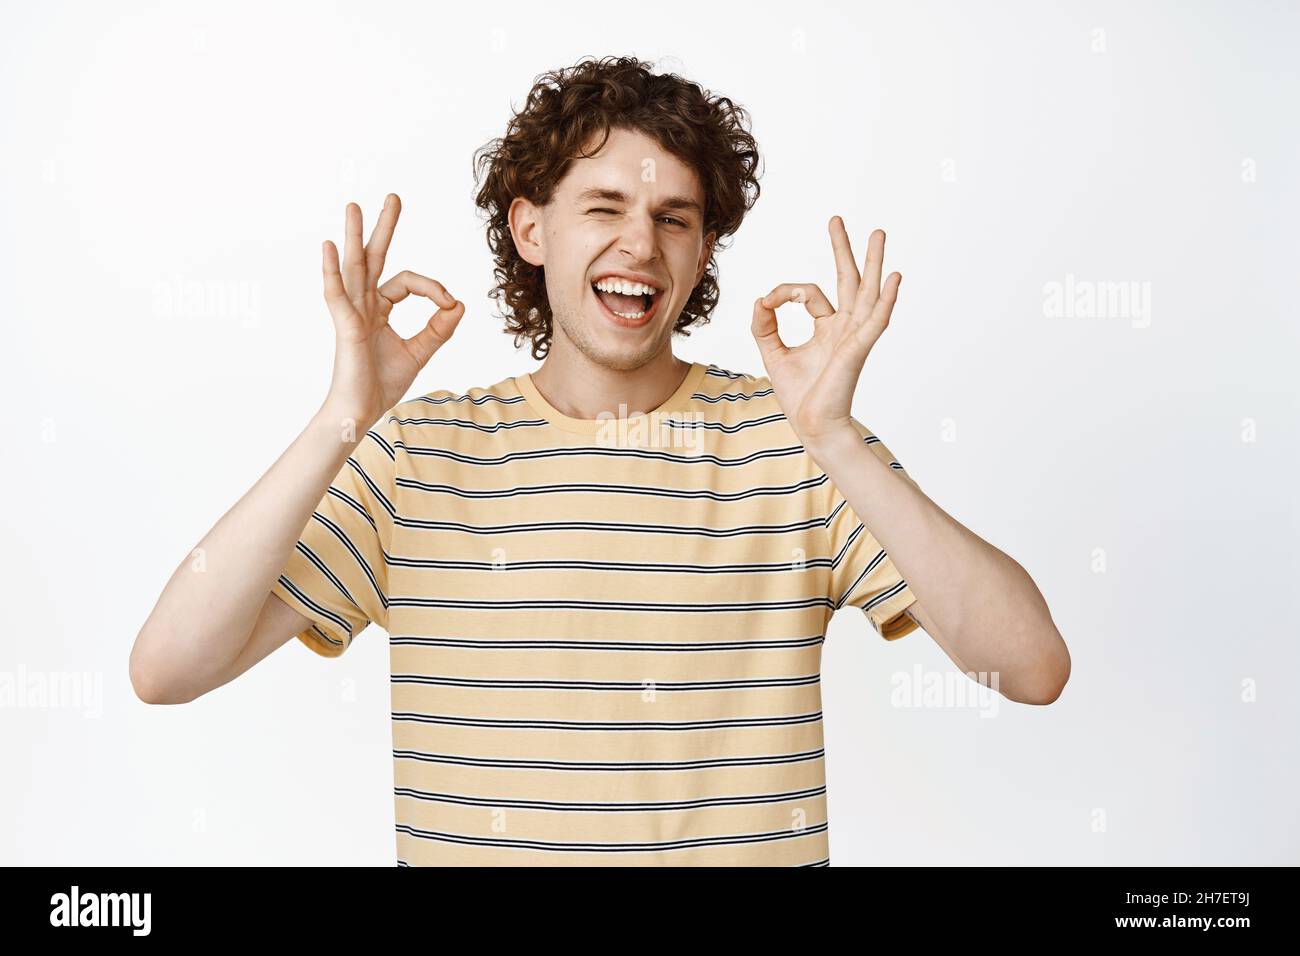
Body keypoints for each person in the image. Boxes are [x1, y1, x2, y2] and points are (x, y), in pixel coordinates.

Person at [131, 56, 1069, 866]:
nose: (639, 244)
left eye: (674, 217)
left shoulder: (795, 442)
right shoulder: (417, 453)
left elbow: (1031, 668)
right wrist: (343, 416)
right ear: (531, 229)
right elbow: (169, 667)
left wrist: (836, 441)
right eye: (605, 207)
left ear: (703, 250)